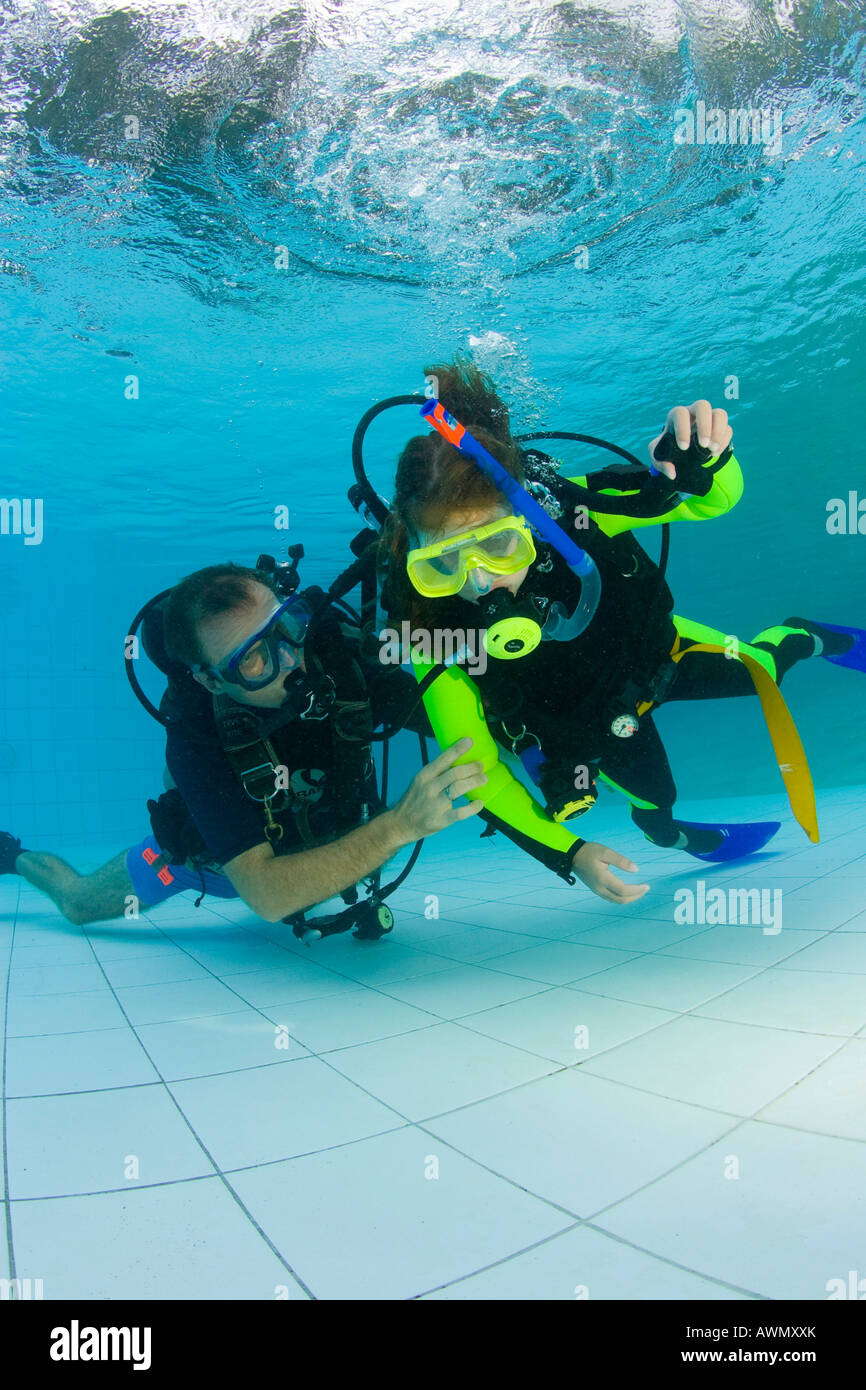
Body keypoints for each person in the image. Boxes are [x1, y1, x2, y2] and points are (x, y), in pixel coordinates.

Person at [379, 356, 864, 904]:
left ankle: (813, 636)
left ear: (529, 520)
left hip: (662, 652)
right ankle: (679, 836)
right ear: (415, 559)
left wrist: (707, 463)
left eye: (498, 545)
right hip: (594, 725)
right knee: (657, 817)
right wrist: (569, 853)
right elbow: (476, 768)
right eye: (445, 565)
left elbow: (712, 501)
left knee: (766, 669)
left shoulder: (568, 510)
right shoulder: (429, 624)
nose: (481, 580)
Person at [0, 561, 487, 930]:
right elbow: (268, 897)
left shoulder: (342, 669)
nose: (291, 660)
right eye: (254, 660)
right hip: (217, 869)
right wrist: (399, 826)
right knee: (79, 903)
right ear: (212, 682)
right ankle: (12, 857)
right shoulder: (197, 740)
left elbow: (477, 727)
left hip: (334, 842)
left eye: (287, 628)